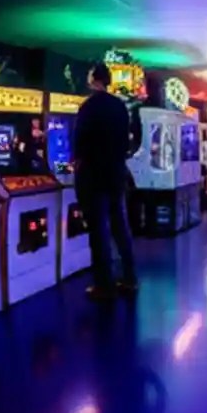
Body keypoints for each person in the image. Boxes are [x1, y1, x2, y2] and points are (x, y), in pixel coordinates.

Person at [73, 63, 138, 300]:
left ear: (93, 79)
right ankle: (130, 278)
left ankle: (104, 285)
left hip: (94, 177)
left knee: (99, 231)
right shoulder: (120, 107)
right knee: (120, 227)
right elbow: (128, 143)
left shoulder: (88, 107)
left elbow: (79, 147)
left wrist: (68, 169)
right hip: (117, 174)